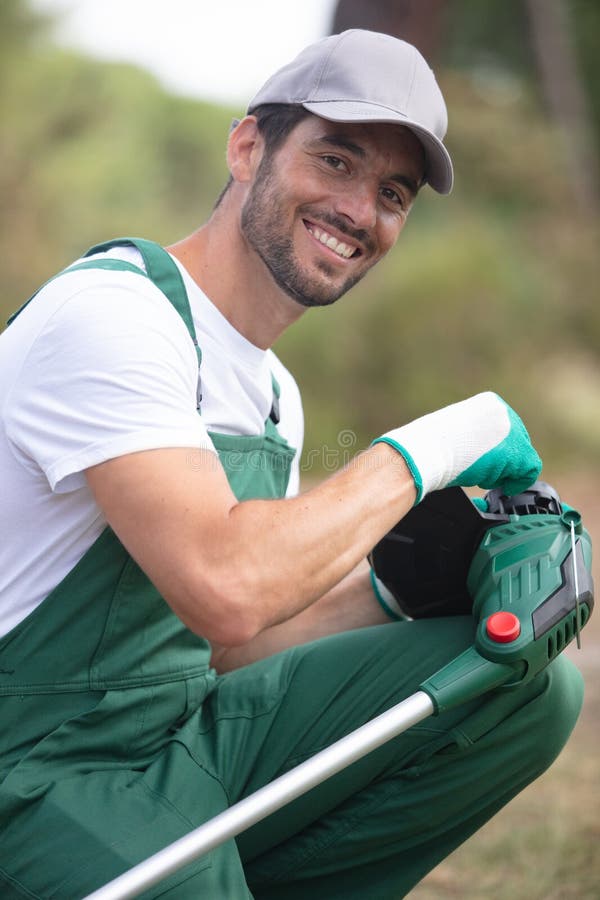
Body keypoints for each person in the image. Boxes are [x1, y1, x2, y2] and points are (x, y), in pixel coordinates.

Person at [0, 28, 583, 899]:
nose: (360, 210)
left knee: (529, 693)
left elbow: (227, 646)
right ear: (247, 148)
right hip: (32, 769)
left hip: (174, 736)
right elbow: (224, 582)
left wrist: (403, 586)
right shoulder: (115, 316)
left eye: (393, 192)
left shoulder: (275, 393)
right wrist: (438, 445)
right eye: (336, 160)